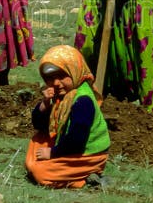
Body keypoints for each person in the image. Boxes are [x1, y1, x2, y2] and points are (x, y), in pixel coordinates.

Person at [25, 45, 110, 189]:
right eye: (51, 78)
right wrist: (45, 104)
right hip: (70, 146)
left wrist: (52, 152)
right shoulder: (64, 95)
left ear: (75, 72)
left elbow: (76, 139)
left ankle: (83, 179)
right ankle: (71, 172)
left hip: (87, 154)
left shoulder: (83, 100)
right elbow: (40, 126)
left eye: (62, 76)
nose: (56, 83)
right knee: (37, 140)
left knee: (40, 172)